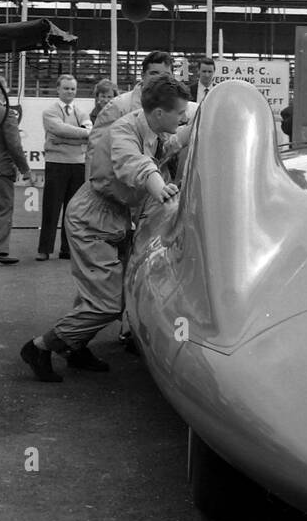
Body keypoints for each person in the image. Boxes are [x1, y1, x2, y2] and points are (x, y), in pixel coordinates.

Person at [20, 75, 188, 382]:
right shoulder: (124, 129)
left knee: (101, 293)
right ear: (161, 113)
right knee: (108, 303)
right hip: (92, 218)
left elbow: (173, 144)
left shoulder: (155, 129)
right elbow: (135, 164)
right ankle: (40, 346)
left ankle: (75, 346)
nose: (184, 117)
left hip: (113, 215)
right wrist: (160, 188)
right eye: (180, 113)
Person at [37, 74, 90, 261]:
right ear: (58, 89)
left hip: (78, 164)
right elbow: (59, 130)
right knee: (51, 208)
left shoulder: (81, 112)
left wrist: (63, 140)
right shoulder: (49, 112)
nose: (70, 91)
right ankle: (45, 249)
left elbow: (87, 133)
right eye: (66, 88)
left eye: (73, 89)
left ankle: (67, 250)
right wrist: (79, 137)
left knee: (73, 210)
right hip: (56, 164)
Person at [0, 77, 30, 265]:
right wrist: (25, 169)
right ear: (3, 88)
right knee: (3, 209)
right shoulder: (6, 113)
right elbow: (14, 145)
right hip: (1, 168)